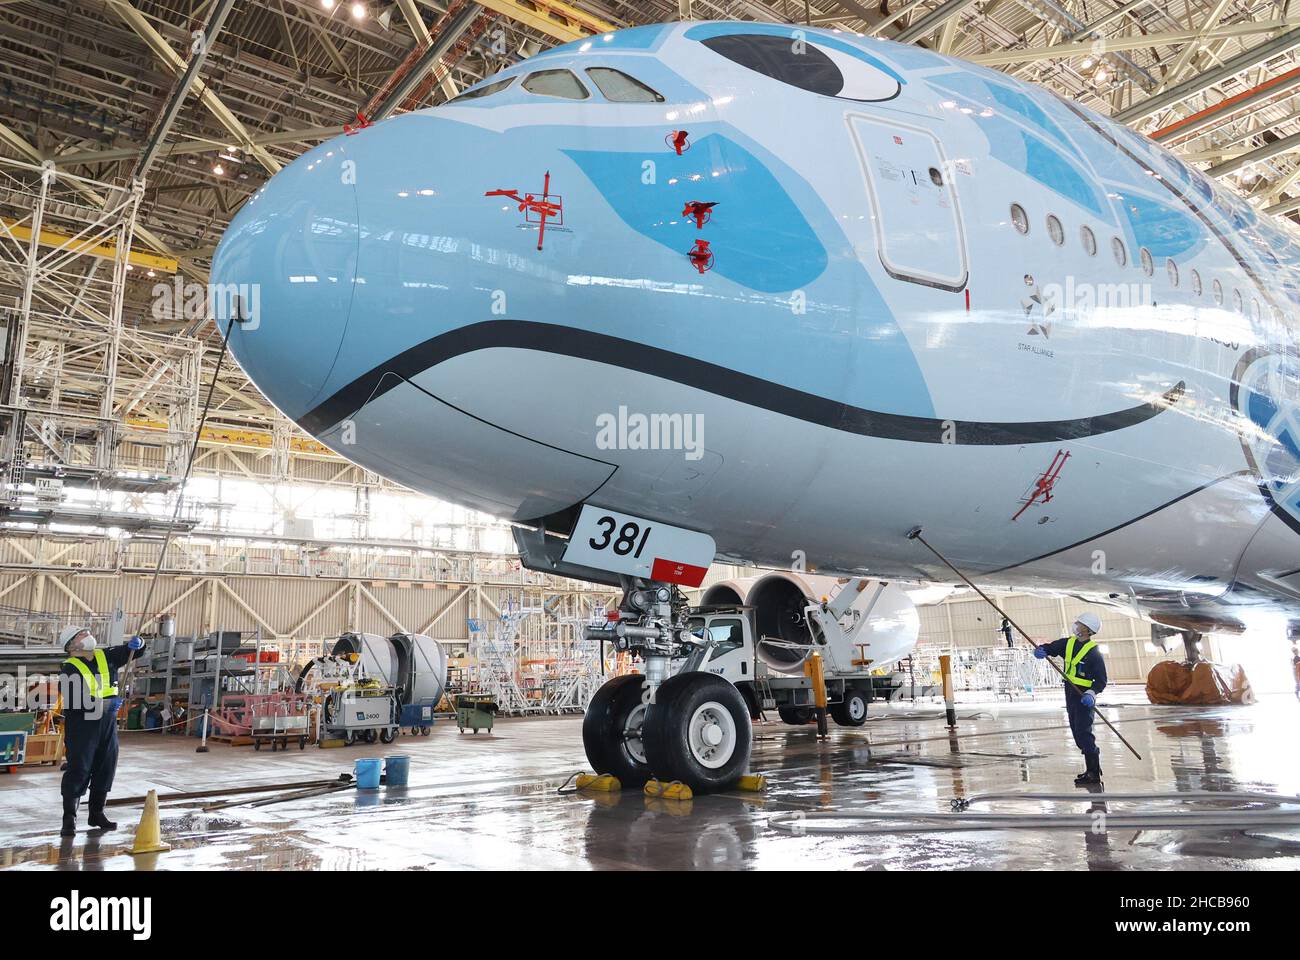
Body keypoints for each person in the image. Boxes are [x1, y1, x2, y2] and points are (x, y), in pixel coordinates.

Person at [58, 626, 146, 837]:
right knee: (79, 769)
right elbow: (75, 699)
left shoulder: (106, 656)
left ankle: (96, 813)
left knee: (106, 767)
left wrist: (139, 643)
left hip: (107, 723)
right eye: (81, 634)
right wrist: (105, 705)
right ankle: (69, 818)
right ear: (71, 645)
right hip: (82, 725)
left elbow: (133, 651)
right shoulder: (68, 668)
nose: (87, 635)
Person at [1034, 612, 1107, 785]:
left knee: (1083, 732)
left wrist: (1091, 693)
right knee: (1076, 731)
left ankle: (1094, 772)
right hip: (1070, 692)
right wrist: (1042, 650)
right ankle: (1091, 769)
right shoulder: (1068, 643)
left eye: (1079, 623)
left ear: (1087, 630)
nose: (1075, 624)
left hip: (1083, 695)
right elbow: (1051, 648)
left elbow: (1101, 680)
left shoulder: (1094, 652)